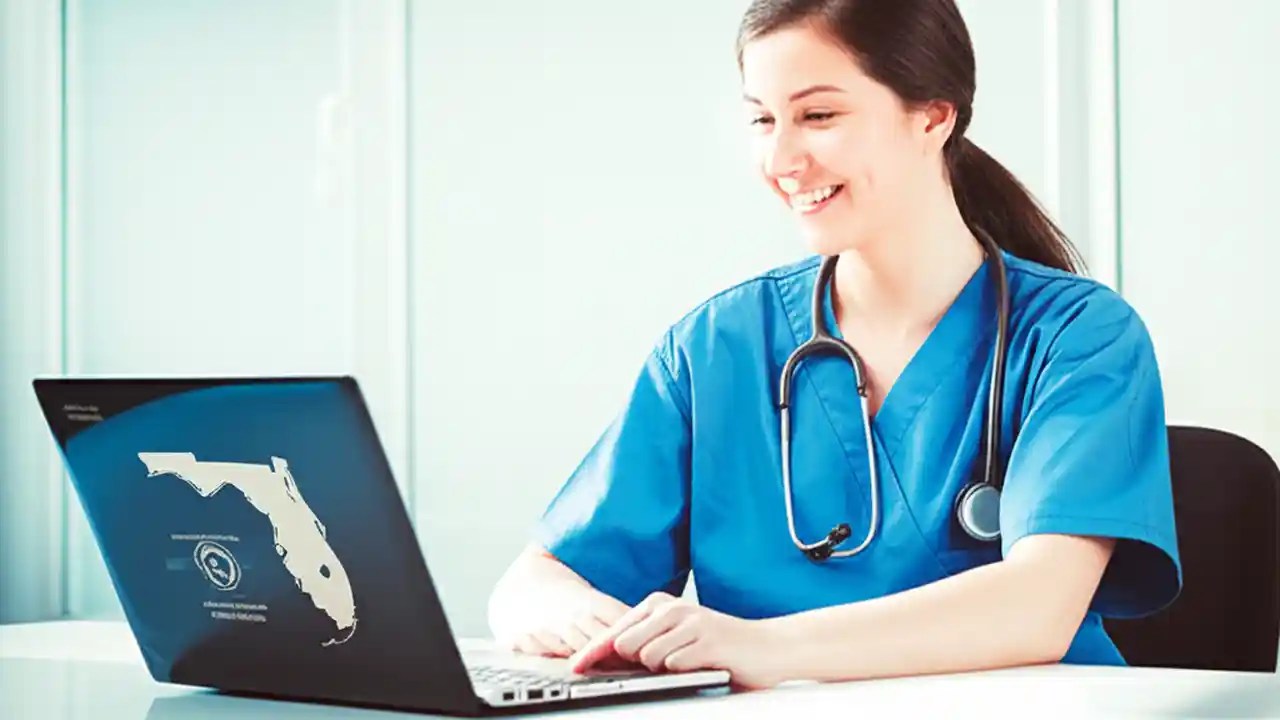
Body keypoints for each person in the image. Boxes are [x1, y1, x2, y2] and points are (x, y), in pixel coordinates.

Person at [487, 0, 1181, 690]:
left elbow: (1038, 607)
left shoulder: (1077, 337)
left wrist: (753, 648)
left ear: (934, 117)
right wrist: (594, 628)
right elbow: (533, 583)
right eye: (763, 118)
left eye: (818, 116)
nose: (781, 158)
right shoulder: (717, 348)